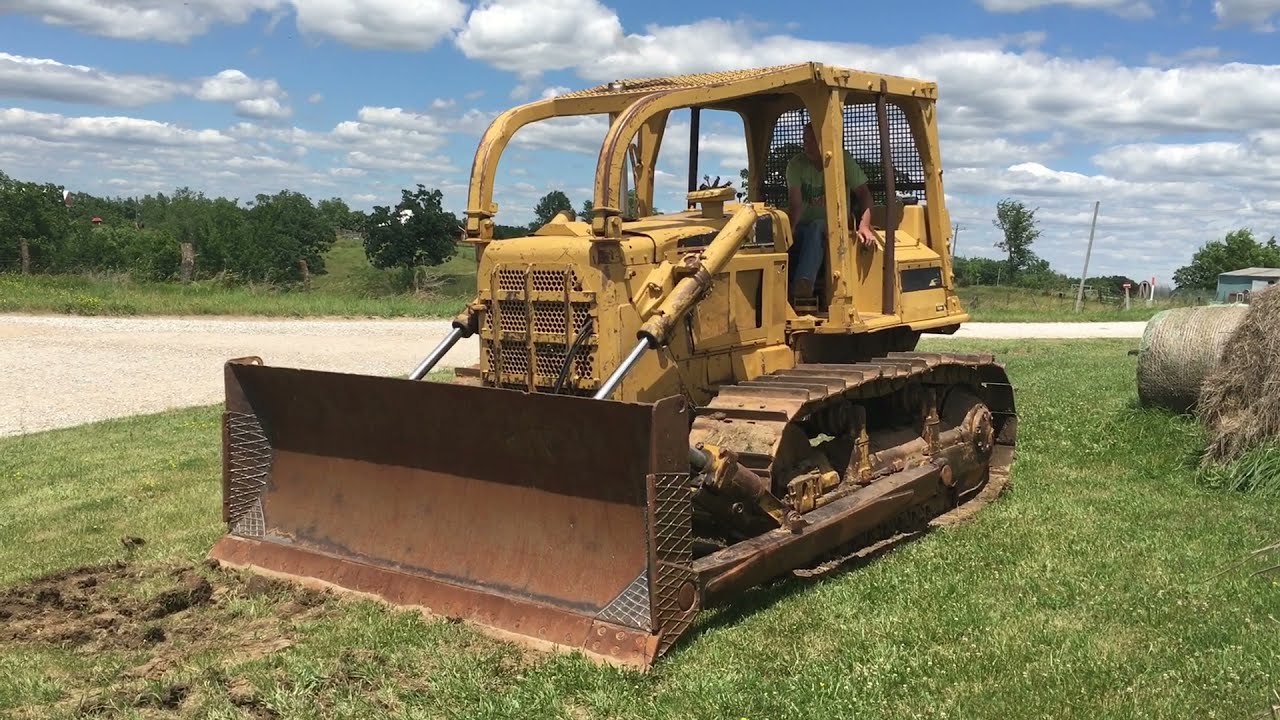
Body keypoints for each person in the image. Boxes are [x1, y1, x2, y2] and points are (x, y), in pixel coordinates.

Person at [786, 121, 877, 299]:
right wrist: (787, 233)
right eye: (805, 140)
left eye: (812, 140)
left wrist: (864, 225)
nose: (807, 145)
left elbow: (864, 193)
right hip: (803, 227)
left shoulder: (842, 160)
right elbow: (795, 205)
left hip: (837, 228)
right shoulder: (796, 165)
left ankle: (803, 285)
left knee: (818, 225)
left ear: (825, 141)